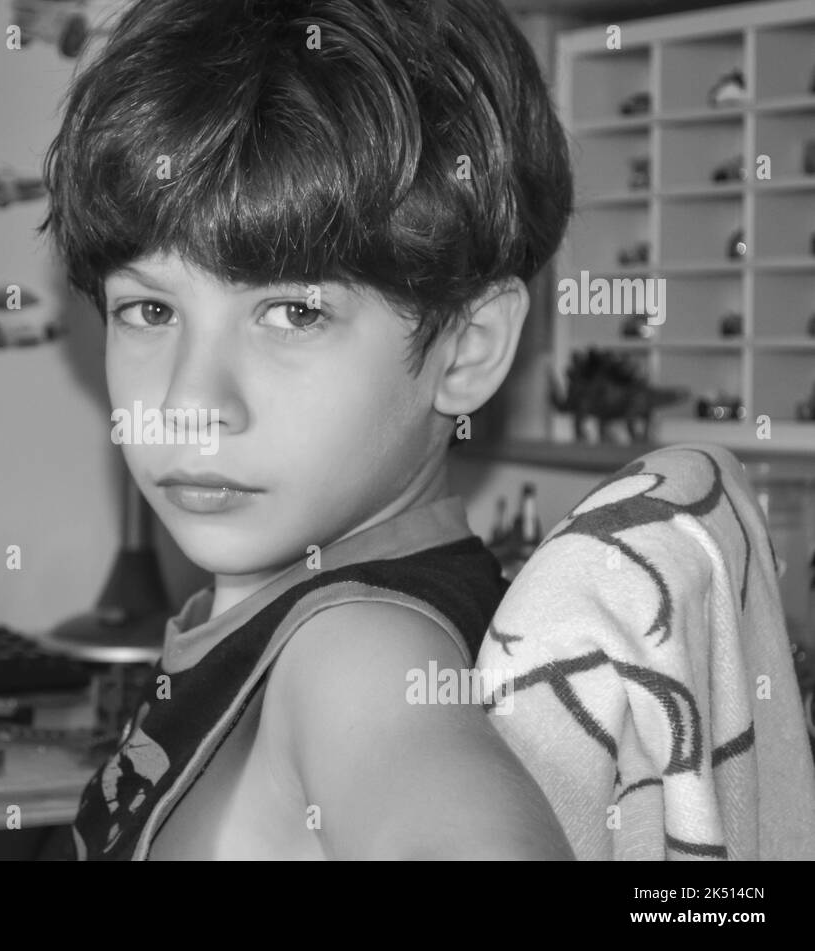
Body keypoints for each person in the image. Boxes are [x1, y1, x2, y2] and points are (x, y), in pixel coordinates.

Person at [38, 0, 576, 859]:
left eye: (293, 311)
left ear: (466, 349)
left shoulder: (358, 656)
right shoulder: (301, 610)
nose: (189, 401)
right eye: (149, 308)